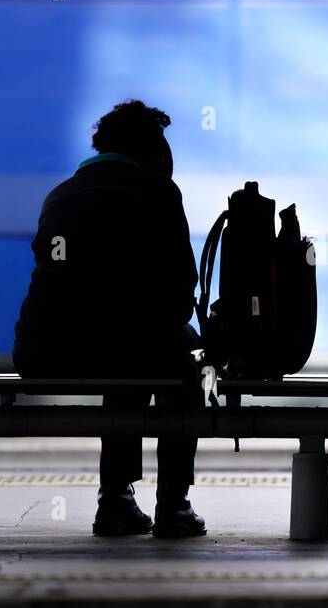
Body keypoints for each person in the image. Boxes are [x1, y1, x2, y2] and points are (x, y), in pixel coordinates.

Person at [12, 100, 206, 538]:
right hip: (123, 350)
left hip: (43, 350)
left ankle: (115, 500)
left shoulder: (59, 194)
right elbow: (181, 288)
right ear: (152, 149)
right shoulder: (156, 190)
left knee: (130, 350)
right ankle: (174, 504)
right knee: (176, 355)